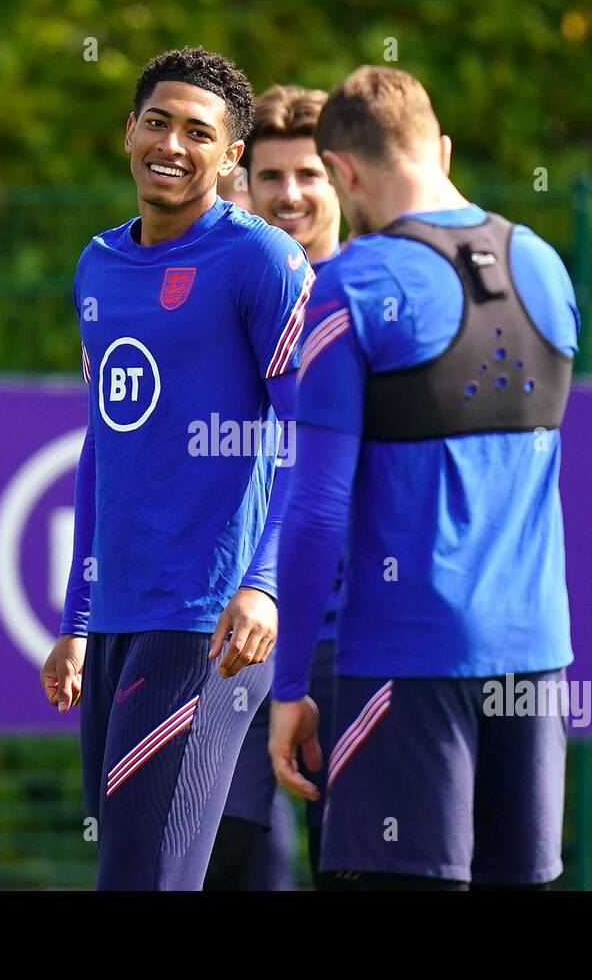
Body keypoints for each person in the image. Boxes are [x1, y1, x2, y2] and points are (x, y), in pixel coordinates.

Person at [269, 66, 579, 890]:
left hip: (409, 660)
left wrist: (291, 684)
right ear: (441, 148)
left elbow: (316, 508)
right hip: (538, 659)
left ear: (342, 171)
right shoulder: (545, 266)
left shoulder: (356, 284)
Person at [40, 46, 313, 890]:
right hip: (120, 615)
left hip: (209, 623)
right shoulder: (98, 265)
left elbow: (318, 435)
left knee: (147, 872)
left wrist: (265, 581)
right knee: (136, 861)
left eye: (200, 132)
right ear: (128, 131)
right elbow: (104, 444)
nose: (172, 143)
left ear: (232, 156)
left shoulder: (261, 261)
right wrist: (78, 617)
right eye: (157, 121)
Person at [205, 84, 343, 891]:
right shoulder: (229, 298)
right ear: (243, 184)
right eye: (271, 177)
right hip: (231, 631)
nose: (289, 194)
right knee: (234, 857)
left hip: (345, 631)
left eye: (310, 175)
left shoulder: (374, 294)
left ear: (343, 179)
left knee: (352, 856)